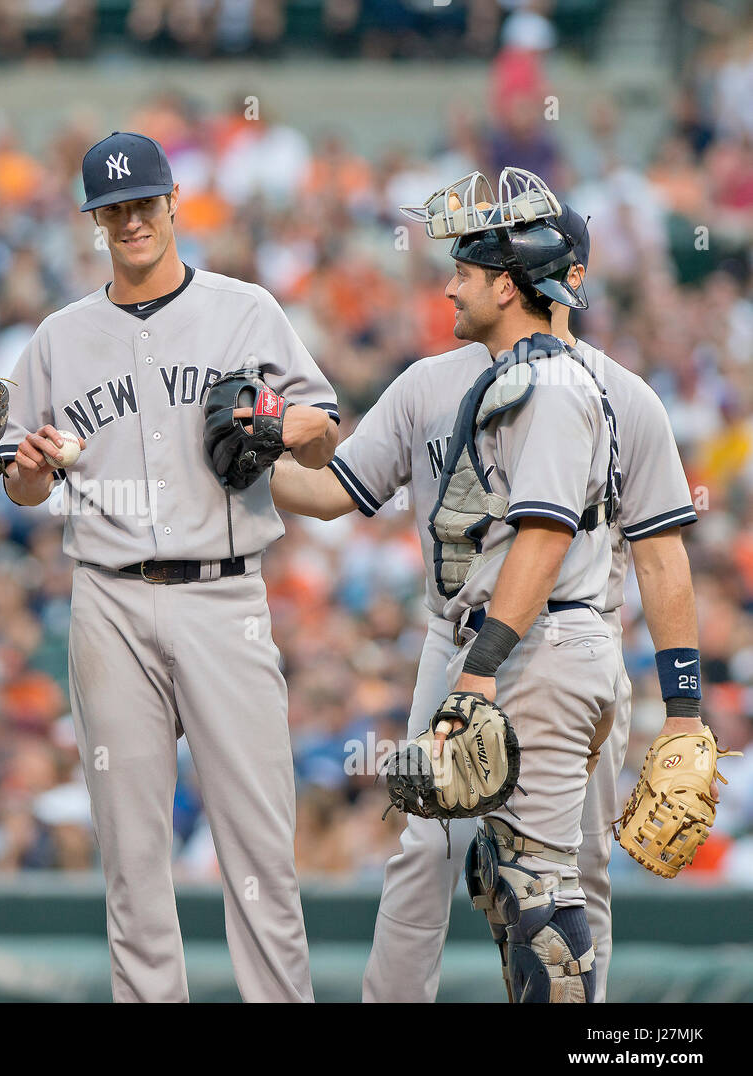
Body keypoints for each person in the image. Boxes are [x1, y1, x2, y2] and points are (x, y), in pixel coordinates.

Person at [271, 194, 700, 1003]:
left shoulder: (620, 393)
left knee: (571, 870)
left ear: (517, 280)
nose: (447, 288)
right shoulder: (429, 382)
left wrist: (682, 707)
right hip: (460, 635)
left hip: (571, 636)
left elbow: (663, 559)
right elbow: (334, 493)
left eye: (465, 268)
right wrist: (256, 461)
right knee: (427, 853)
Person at [0, 131, 339, 1003]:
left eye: (143, 203)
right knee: (132, 865)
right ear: (95, 221)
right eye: (113, 210)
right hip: (108, 598)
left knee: (260, 854)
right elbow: (24, 487)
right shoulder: (59, 338)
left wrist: (275, 421)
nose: (131, 220)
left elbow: (323, 429)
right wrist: (32, 470)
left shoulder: (244, 309)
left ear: (173, 200)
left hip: (225, 593)